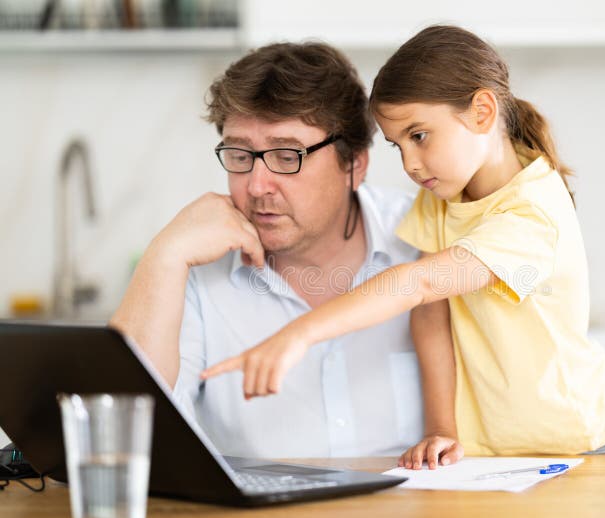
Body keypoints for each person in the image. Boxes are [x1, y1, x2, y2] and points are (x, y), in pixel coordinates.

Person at [202, 25, 605, 466]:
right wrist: (442, 430)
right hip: (504, 458)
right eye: (398, 146)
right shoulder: (445, 196)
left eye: (419, 137)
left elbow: (416, 285)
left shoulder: (531, 213)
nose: (410, 165)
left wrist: (299, 333)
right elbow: (430, 311)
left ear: (482, 112)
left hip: (587, 445)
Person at [109, 42, 425, 458]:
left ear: (355, 165)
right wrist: (164, 253)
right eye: (240, 155)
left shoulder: (424, 243)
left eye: (286, 155)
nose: (256, 186)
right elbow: (118, 434)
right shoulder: (193, 270)